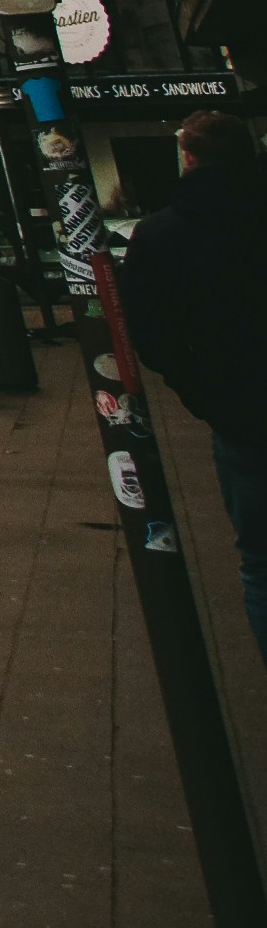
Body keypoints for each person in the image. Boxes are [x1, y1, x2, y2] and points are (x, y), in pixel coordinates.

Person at [126, 110, 267, 661]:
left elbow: (152, 335)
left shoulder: (161, 232)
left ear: (187, 157)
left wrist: (203, 394)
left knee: (260, 560)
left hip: (242, 413)